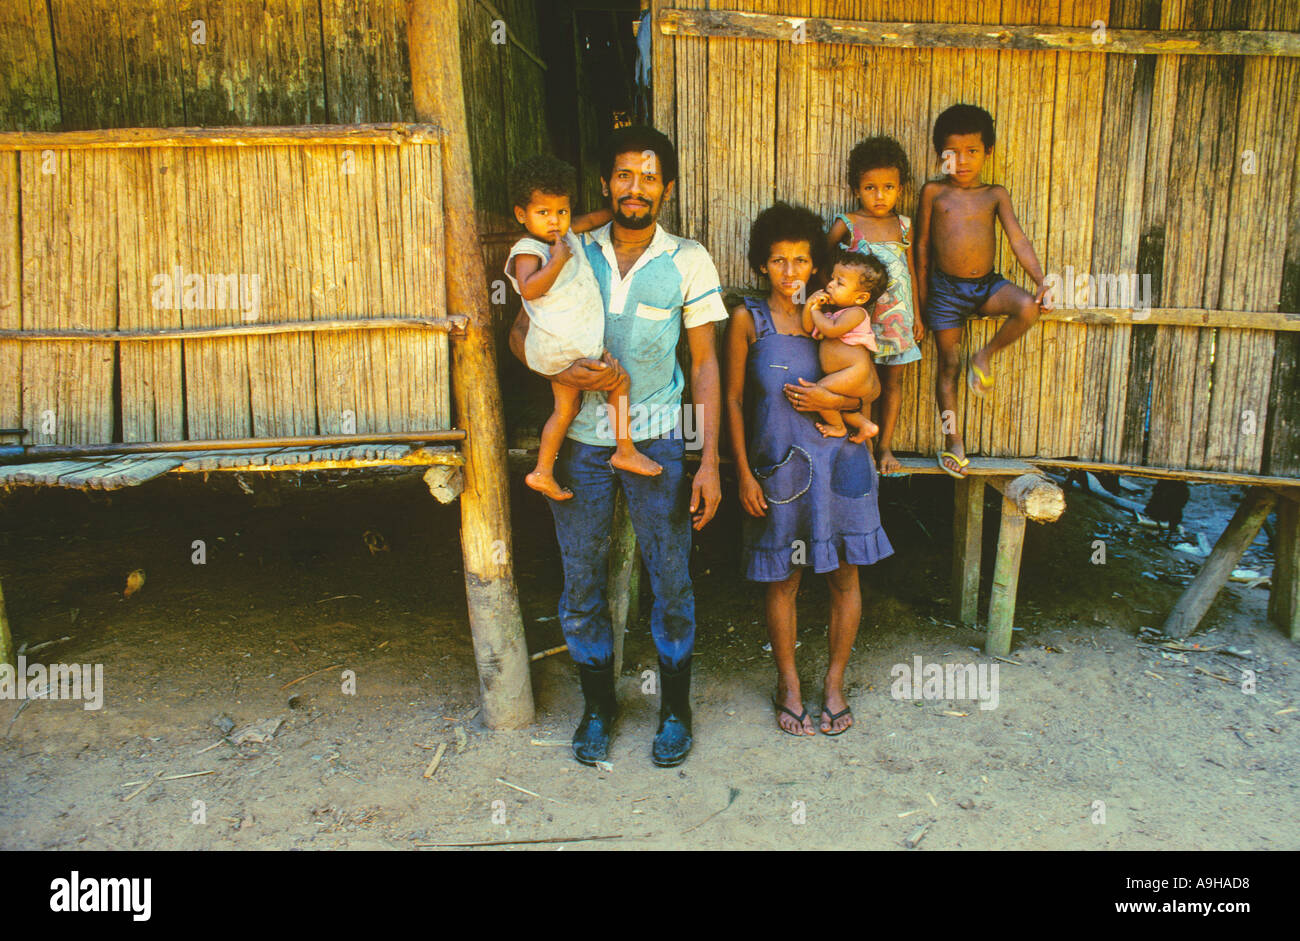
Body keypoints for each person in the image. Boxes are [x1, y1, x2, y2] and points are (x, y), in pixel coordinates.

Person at [508, 126, 727, 768]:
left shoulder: (689, 259)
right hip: (580, 441)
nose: (637, 187)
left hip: (657, 439)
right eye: (624, 175)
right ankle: (599, 706)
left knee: (671, 576)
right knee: (581, 580)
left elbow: (707, 365)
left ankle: (675, 711)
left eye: (650, 176)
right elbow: (519, 332)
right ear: (607, 185)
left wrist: (708, 459)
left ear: (668, 188)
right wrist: (556, 372)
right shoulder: (568, 248)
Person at [723, 202, 894, 737]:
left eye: (801, 261)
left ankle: (835, 683)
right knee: (784, 578)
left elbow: (870, 387)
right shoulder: (748, 320)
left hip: (844, 463)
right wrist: (744, 474)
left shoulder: (841, 323)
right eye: (779, 261)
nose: (791, 272)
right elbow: (729, 401)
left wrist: (836, 401)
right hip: (781, 474)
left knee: (846, 575)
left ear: (817, 266)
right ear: (761, 265)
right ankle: (790, 684)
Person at [504, 155, 657, 502]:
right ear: (521, 215)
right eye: (543, 213)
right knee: (619, 381)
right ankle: (625, 450)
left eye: (562, 212)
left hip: (569, 347)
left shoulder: (567, 234)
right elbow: (528, 288)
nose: (555, 221)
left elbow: (592, 218)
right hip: (560, 349)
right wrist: (557, 260)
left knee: (567, 409)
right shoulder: (529, 248)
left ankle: (542, 471)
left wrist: (618, 209)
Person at [916, 104, 1052, 478]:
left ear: (987, 152)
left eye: (972, 152)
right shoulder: (933, 193)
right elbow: (922, 248)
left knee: (1027, 307)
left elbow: (1018, 239)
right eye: (952, 153)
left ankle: (985, 355)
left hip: (986, 285)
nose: (962, 161)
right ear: (939, 154)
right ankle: (952, 441)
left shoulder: (995, 194)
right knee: (947, 367)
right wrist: (921, 304)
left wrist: (1040, 280)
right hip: (944, 292)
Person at [828, 136, 924, 475]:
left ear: (900, 188)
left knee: (893, 384)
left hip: (898, 320)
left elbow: (911, 272)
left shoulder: (903, 225)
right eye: (870, 188)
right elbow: (824, 259)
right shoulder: (848, 223)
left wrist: (918, 315)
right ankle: (864, 444)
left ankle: (885, 446)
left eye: (888, 187)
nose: (879, 195)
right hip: (861, 322)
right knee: (866, 383)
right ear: (857, 189)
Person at [801, 249, 888, 442]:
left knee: (819, 394)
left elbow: (831, 330)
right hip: (845, 374)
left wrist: (816, 311)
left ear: (861, 298)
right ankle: (865, 425)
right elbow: (808, 327)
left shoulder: (856, 313)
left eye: (839, 283)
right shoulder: (831, 315)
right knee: (835, 403)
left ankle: (837, 427)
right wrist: (809, 306)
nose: (830, 285)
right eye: (832, 279)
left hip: (854, 372)